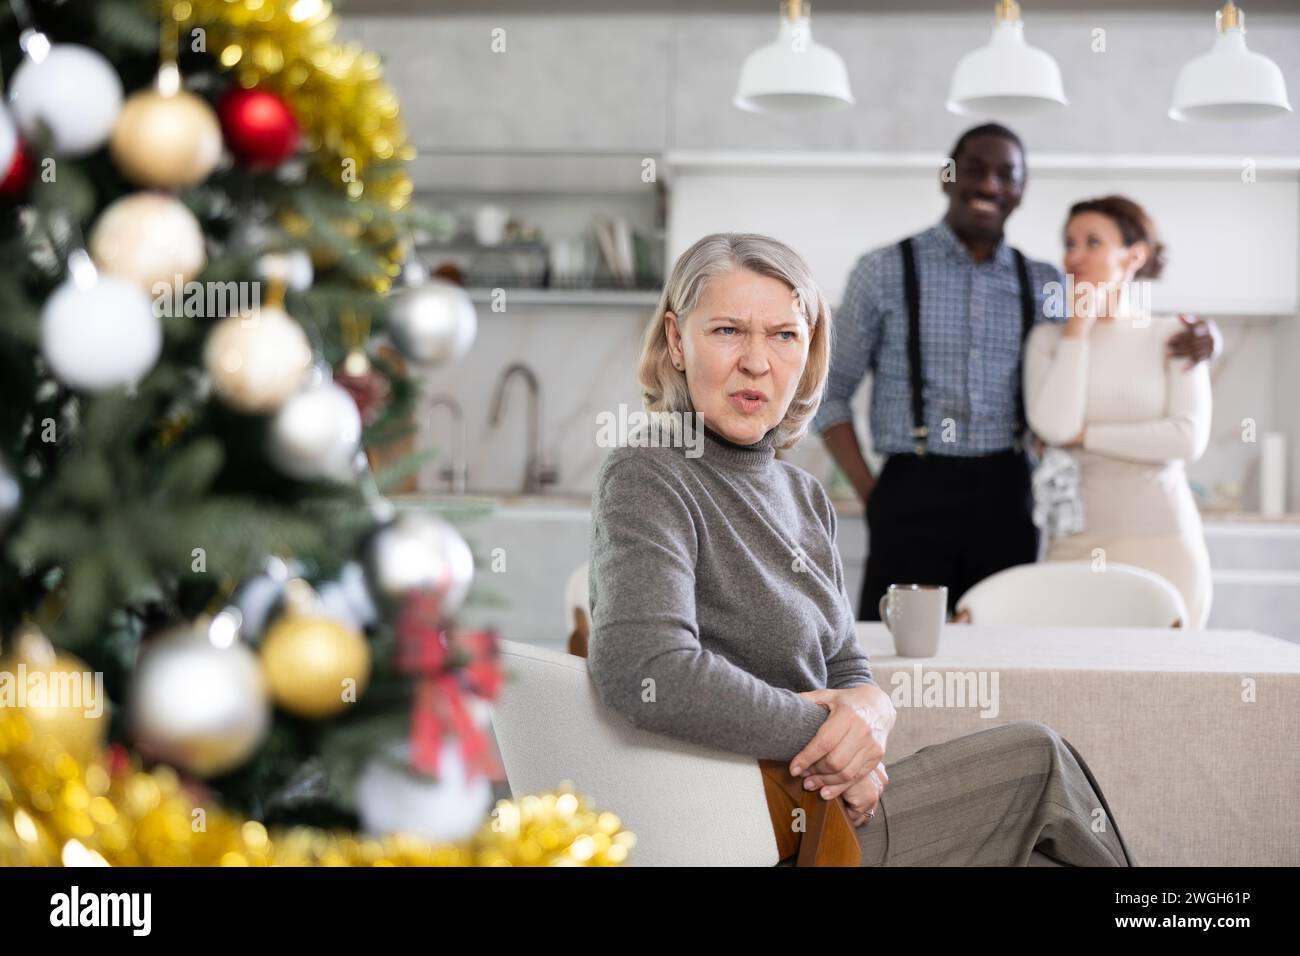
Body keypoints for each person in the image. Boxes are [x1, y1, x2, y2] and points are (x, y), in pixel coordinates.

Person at [586, 231, 1135, 865]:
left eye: (784, 335)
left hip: (818, 806)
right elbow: (646, 668)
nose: (758, 362)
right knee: (1038, 759)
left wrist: (872, 709)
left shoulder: (803, 494)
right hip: (749, 826)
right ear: (678, 342)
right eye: (729, 331)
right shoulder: (649, 470)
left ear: (810, 349)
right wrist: (828, 735)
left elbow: (845, 665)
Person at [813, 123, 1220, 621]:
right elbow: (827, 392)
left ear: (1022, 190)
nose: (989, 185)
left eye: (1007, 175)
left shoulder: (1044, 281)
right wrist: (873, 495)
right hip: (911, 488)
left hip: (1008, 495)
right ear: (947, 176)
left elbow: (1112, 334)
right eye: (975, 170)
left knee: (1006, 648)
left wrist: (1207, 339)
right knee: (896, 656)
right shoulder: (883, 271)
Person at [1024, 195, 1213, 627]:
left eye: (1093, 242)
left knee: (1167, 686)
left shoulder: (1176, 335)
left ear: (1135, 255)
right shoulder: (1048, 340)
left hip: (1164, 541)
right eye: (1069, 243)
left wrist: (1086, 436)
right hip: (1072, 543)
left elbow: (1186, 438)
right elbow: (1055, 425)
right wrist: (1079, 329)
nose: (1074, 256)